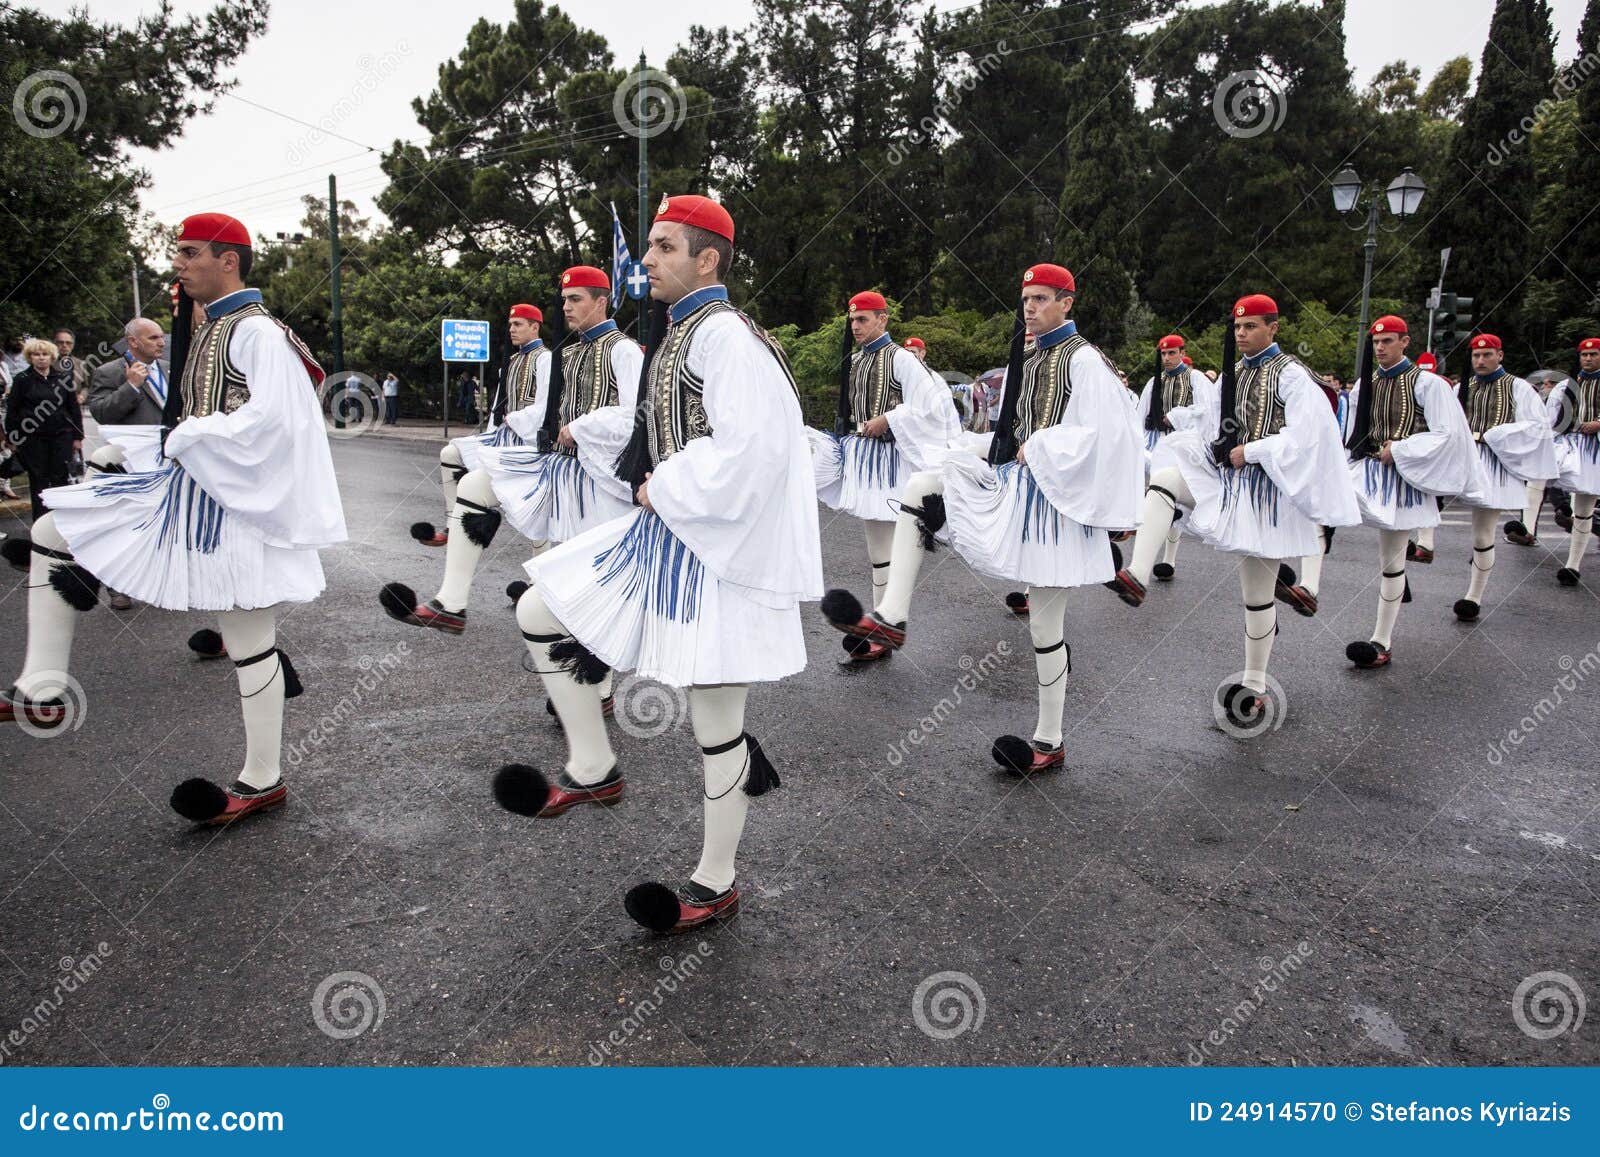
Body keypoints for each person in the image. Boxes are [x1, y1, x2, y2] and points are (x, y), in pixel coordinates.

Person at [492, 194, 821, 935]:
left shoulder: (726, 337)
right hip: (670, 532)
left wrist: (662, 484)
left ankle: (715, 881)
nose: (646, 259)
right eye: (649, 246)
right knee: (540, 608)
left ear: (706, 260)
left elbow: (755, 451)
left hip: (718, 552)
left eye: (664, 246)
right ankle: (593, 765)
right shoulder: (679, 332)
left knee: (716, 720)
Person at [0, 212, 347, 831]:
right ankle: (42, 689)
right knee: (54, 531)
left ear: (228, 260)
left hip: (236, 507)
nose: (179, 264)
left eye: (190, 253)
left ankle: (263, 779)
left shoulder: (256, 331)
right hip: (192, 492)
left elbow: (280, 420)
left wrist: (189, 435)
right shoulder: (213, 325)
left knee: (249, 638)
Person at [821, 263, 1142, 772]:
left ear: (1067, 303)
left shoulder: (1084, 360)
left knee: (1046, 628)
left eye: (1041, 298)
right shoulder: (1029, 357)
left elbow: (1109, 435)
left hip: (1058, 506)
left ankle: (1049, 741)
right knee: (923, 485)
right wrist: (974, 446)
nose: (1030, 308)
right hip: (1022, 487)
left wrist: (1040, 448)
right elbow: (1011, 432)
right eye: (1026, 299)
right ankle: (892, 619)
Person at [1105, 294, 1359, 728]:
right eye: (1238, 327)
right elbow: (1213, 425)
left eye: (1251, 326)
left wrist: (1251, 451)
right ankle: (1138, 576)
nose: (1241, 334)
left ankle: (1255, 685)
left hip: (1269, 495)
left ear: (1273, 328)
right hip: (1229, 484)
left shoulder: (1291, 375)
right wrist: (1210, 447)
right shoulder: (1232, 374)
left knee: (1256, 597)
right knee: (1165, 479)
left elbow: (1305, 438)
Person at [382, 276, 641, 649]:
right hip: (559, 463)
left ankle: (591, 671)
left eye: (575, 299)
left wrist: (579, 427)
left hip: (598, 476)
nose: (566, 307)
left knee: (582, 597)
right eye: (564, 299)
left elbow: (636, 414)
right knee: (474, 483)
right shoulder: (570, 353)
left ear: (601, 302)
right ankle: (451, 605)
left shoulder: (623, 351)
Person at [808, 290, 959, 665]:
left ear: (882, 319)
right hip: (867, 460)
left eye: (862, 319)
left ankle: (886, 625)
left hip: (893, 462)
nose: (855, 326)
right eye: (852, 320)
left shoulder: (901, 359)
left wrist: (890, 419)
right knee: (878, 549)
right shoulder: (858, 359)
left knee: (892, 547)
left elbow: (932, 406)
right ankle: (881, 626)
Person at [1342, 316, 1481, 669]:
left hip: (1404, 479)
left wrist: (1402, 450)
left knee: (1390, 563)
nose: (1380, 347)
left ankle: (1381, 641)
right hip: (1367, 472)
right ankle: (1308, 584)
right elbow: (1352, 433)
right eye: (1376, 342)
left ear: (1405, 342)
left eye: (1388, 341)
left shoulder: (1428, 384)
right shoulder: (1363, 386)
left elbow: (1446, 434)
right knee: (1325, 511)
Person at [1449, 333, 1555, 621]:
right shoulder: (1462, 387)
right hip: (1465, 463)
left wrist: (1496, 436)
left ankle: (1474, 596)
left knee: (1482, 533)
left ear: (1500, 355)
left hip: (1495, 465)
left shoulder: (1518, 388)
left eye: (1487, 355)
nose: (1480, 360)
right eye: (1476, 355)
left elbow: (1536, 426)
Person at [87, 316, 171, 609]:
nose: (161, 342)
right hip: (129, 462)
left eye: (161, 336)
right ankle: (118, 586)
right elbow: (101, 412)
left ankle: (158, 581)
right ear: (133, 342)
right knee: (123, 525)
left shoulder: (169, 369)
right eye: (153, 338)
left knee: (160, 522)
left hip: (167, 459)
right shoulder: (109, 372)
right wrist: (131, 386)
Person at [1135, 334, 1216, 582]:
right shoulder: (1154, 382)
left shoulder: (1196, 379)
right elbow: (1140, 415)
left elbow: (1207, 412)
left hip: (1184, 445)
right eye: (1163, 354)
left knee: (1172, 501)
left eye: (1172, 353)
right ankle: (1142, 563)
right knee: (1159, 499)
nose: (1167, 358)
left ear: (1183, 352)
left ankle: (1168, 559)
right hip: (1157, 445)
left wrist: (1177, 417)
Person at [2, 338, 83, 521]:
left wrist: (78, 436)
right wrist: (12, 438)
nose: (41, 358)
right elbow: (13, 410)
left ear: (51, 356)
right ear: (30, 357)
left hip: (62, 437)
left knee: (61, 479)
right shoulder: (22, 379)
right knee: (38, 480)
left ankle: (62, 520)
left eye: (45, 354)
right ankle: (40, 522)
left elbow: (73, 409)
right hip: (33, 439)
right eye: (36, 354)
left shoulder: (63, 378)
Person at [1548, 336, 1600, 586]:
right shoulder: (1567, 385)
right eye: (1584, 355)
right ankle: (1572, 565)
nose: (1588, 358)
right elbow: (1553, 418)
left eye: (1594, 354)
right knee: (1582, 508)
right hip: (1578, 449)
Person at [52, 328, 88, 396]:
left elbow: (85, 387)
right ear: (55, 343)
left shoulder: (81, 363)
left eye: (68, 343)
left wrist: (82, 396)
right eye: (61, 342)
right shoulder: (47, 362)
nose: (64, 345)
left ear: (73, 345)